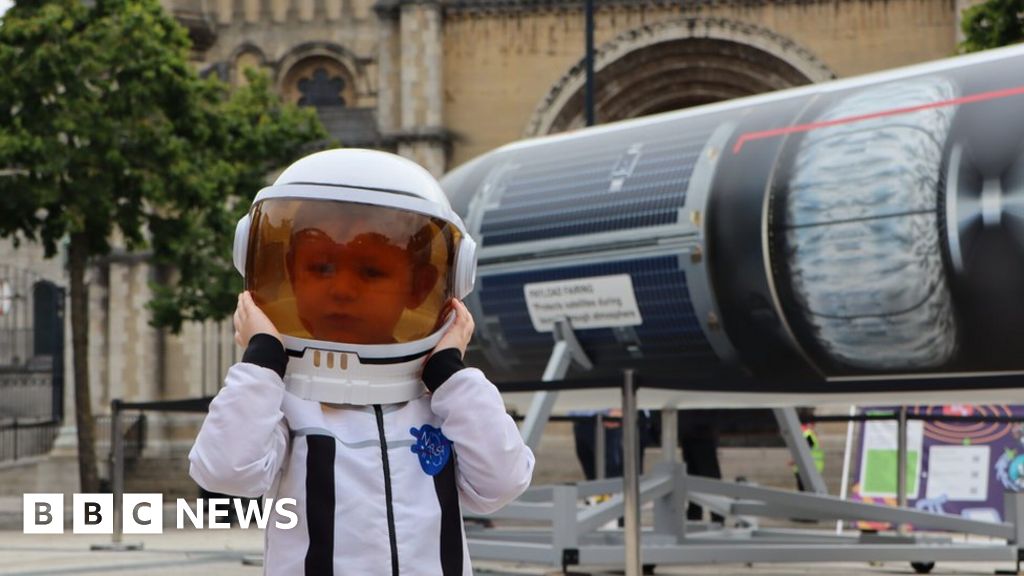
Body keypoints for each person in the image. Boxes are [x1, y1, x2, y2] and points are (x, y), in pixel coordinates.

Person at [189, 149, 535, 575]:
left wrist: (451, 376)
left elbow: (502, 482)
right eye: (321, 266)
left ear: (422, 285)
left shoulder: (440, 404)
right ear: (291, 277)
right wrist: (262, 362)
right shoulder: (286, 404)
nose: (343, 289)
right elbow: (226, 473)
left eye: (371, 271)